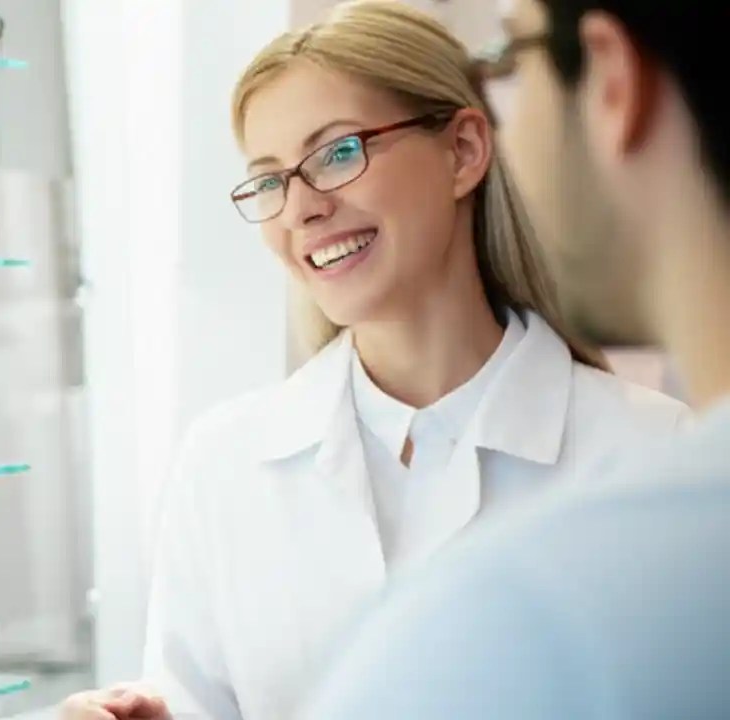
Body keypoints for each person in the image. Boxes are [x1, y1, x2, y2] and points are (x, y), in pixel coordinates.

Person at [58, 2, 690, 719]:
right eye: (270, 180)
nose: (301, 208)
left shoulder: (651, 452)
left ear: (463, 150)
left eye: (336, 153)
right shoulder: (223, 465)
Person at [304, 1, 730, 718]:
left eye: (511, 62)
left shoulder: (509, 630)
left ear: (611, 78)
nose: (304, 206)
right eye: (266, 179)